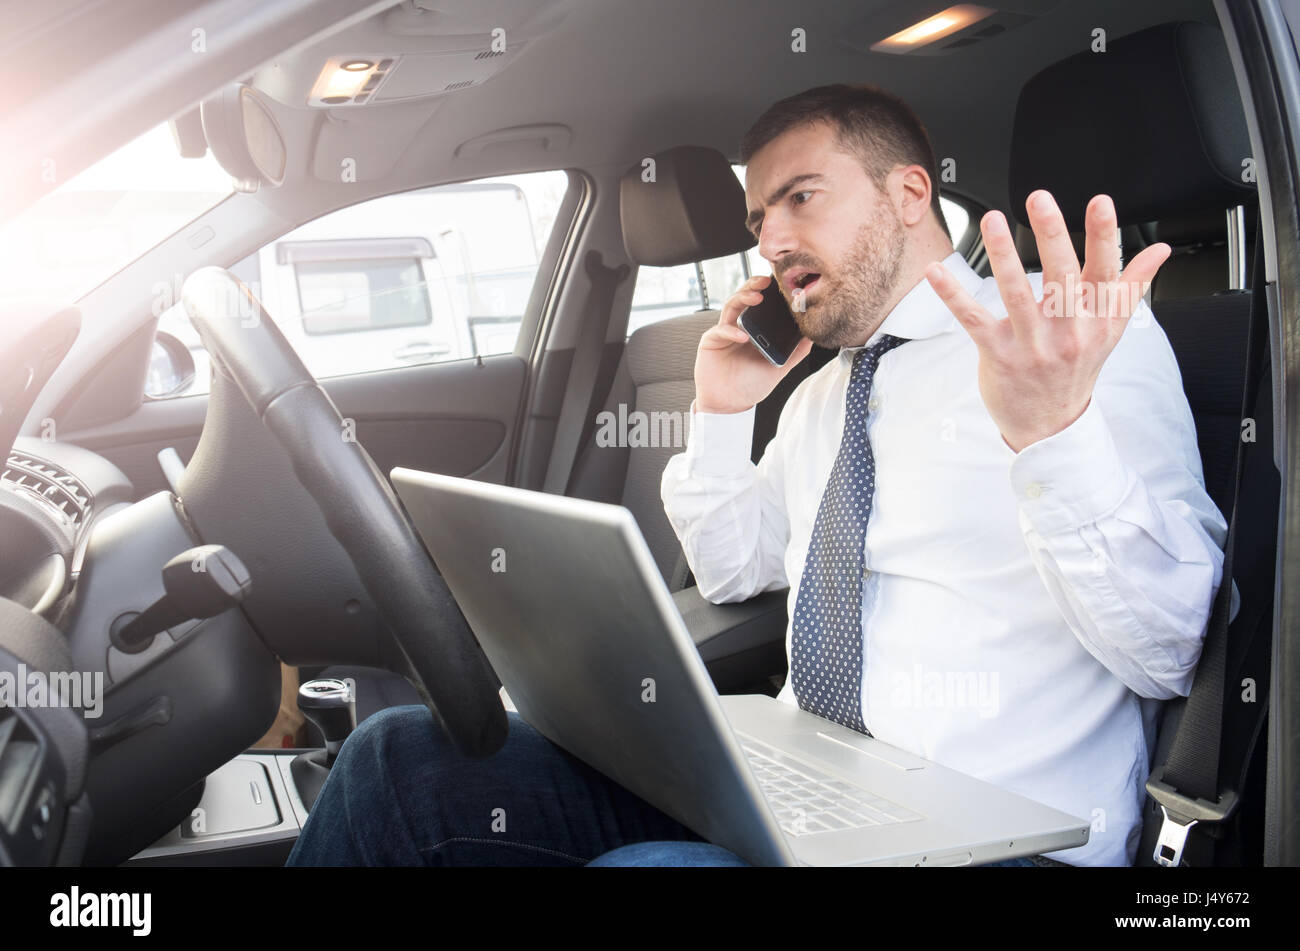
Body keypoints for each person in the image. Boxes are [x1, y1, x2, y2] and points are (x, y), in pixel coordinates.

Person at [286, 83, 1226, 867]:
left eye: (801, 198)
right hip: (798, 789)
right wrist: (724, 412)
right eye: (757, 216)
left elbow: (1168, 651)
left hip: (1000, 842)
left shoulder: (1072, 347)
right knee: (395, 761)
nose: (768, 240)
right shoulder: (825, 398)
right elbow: (736, 574)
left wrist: (1051, 433)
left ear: (907, 195)